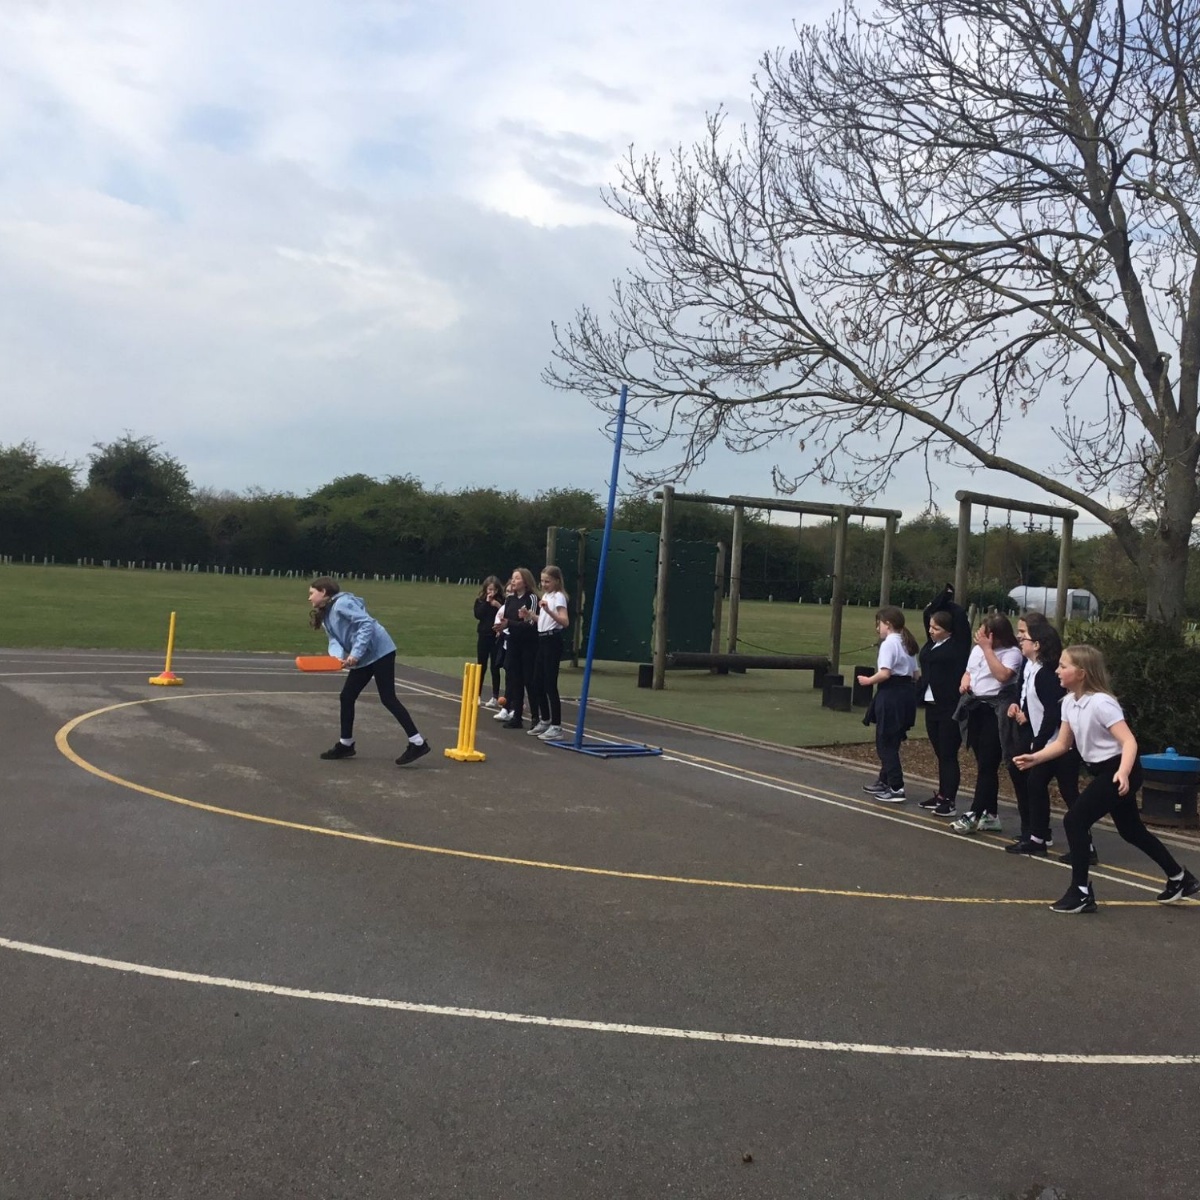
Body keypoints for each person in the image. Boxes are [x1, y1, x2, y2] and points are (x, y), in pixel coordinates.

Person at [1013, 644, 1199, 913]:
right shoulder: (1068, 702)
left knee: (1074, 820)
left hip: (1119, 769)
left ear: (1082, 673)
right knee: (1131, 830)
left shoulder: (1102, 703)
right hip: (1104, 771)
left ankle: (1081, 891)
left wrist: (1122, 773)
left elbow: (1129, 742)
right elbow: (1063, 743)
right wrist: (1036, 757)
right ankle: (1180, 878)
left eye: (1064, 666)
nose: (1057, 670)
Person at [307, 577, 430, 765]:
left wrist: (355, 654)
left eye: (311, 593)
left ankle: (418, 742)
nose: (309, 598)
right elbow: (334, 640)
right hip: (365, 656)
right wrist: (337, 658)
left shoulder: (342, 604)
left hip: (381, 651)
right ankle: (346, 744)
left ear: (323, 592)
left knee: (388, 698)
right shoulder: (326, 614)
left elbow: (367, 624)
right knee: (347, 696)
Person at [1003, 612, 1081, 857]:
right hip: (1048, 742)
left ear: (1037, 644)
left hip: (1060, 745)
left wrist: (1038, 742)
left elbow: (1053, 712)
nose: (1020, 639)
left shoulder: (1046, 674)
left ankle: (1085, 846)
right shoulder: (1033, 668)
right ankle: (1037, 838)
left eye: (1025, 637)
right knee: (1035, 784)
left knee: (1069, 793)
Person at [950, 614, 1023, 834]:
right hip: (976, 707)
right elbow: (969, 671)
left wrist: (988, 650)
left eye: (984, 633)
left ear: (994, 636)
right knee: (982, 762)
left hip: (996, 710)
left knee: (988, 765)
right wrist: (965, 681)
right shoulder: (976, 650)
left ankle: (974, 812)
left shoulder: (1012, 654)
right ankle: (991, 814)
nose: (979, 636)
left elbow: (1002, 675)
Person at [857, 606, 919, 802]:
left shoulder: (889, 643)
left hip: (891, 694)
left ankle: (896, 786)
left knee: (885, 743)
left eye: (879, 624)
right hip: (906, 694)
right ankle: (884, 780)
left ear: (888, 624)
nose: (878, 629)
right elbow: (916, 674)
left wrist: (867, 681)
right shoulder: (907, 642)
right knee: (892, 740)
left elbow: (885, 673)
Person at [917, 608, 970, 817]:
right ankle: (941, 794)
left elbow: (962, 624)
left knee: (948, 754)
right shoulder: (932, 644)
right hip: (932, 706)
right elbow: (928, 613)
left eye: (936, 628)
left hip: (950, 708)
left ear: (949, 630)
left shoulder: (957, 647)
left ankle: (949, 800)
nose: (931, 631)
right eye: (930, 627)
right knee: (940, 753)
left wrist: (951, 601)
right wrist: (942, 599)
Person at [528, 565, 570, 740]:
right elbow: (543, 621)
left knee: (549, 684)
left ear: (557, 581)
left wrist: (548, 611)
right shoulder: (546, 596)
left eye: (547, 581)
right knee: (537, 682)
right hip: (542, 639)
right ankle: (545, 719)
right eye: (542, 581)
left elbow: (564, 621)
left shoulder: (559, 597)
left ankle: (556, 726)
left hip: (553, 641)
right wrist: (532, 615)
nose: (544, 584)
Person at [496, 567, 539, 729]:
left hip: (528, 644)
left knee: (529, 680)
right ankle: (517, 717)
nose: (513, 581)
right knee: (515, 680)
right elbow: (509, 619)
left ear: (525, 582)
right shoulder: (510, 600)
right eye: (512, 578)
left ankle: (536, 717)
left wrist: (511, 623)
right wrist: (501, 627)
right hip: (513, 642)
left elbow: (530, 623)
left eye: (517, 578)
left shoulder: (532, 598)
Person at [474, 576, 505, 708]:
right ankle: (477, 695)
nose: (490, 592)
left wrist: (497, 605)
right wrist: (487, 603)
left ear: (497, 590)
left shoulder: (501, 602)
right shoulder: (480, 601)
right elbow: (478, 615)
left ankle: (494, 696)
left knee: (495, 667)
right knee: (481, 665)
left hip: (496, 636)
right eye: (489, 589)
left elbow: (506, 613)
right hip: (483, 636)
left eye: (493, 589)